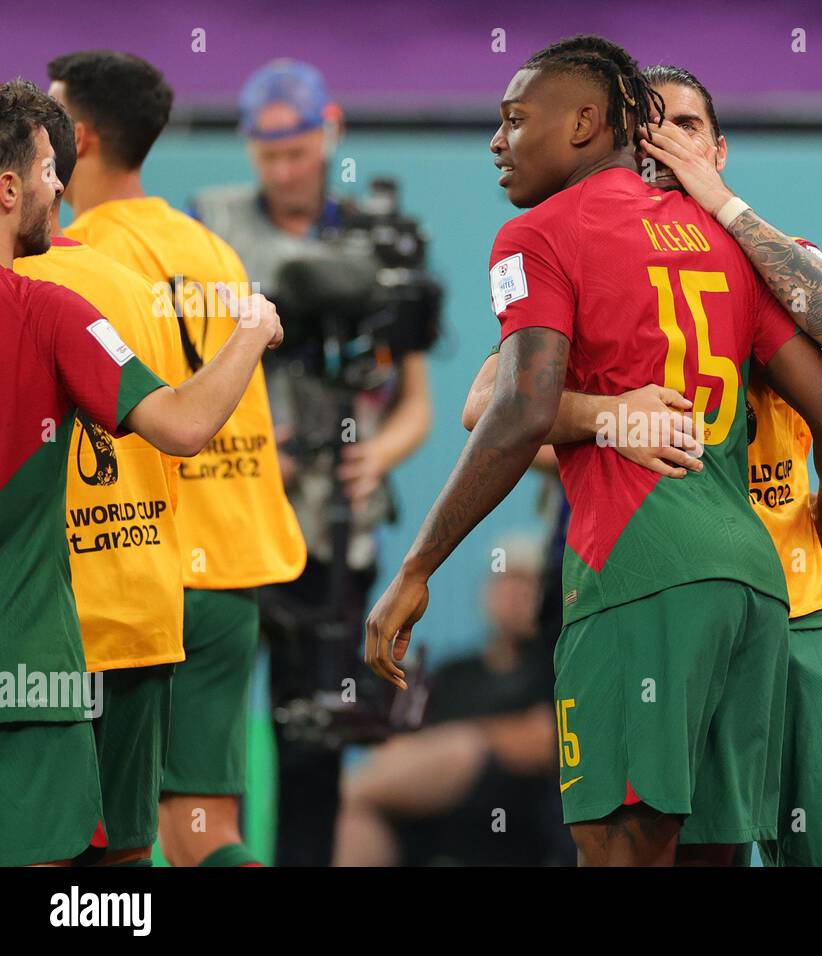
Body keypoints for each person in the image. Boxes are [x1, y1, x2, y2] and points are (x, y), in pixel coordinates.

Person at [365, 35, 822, 867]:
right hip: (755, 585)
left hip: (638, 571)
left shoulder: (535, 236)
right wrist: (608, 413)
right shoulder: (729, 246)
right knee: (715, 851)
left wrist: (418, 565)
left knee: (619, 851)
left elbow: (513, 412)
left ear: (584, 124)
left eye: (515, 120)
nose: (496, 142)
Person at [0, 78, 284, 867]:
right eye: (46, 165)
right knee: (130, 860)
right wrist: (254, 329)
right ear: (12, 186)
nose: (60, 183)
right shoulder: (73, 302)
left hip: (83, 626)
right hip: (119, 611)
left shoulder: (66, 286)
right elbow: (189, 426)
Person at [190, 59, 434, 866]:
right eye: (269, 156)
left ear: (328, 134)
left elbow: (416, 402)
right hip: (230, 521)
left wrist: (378, 457)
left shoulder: (377, 238)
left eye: (298, 152)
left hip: (334, 532)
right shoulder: (212, 229)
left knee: (314, 740)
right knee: (211, 735)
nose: (286, 171)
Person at [334, 536, 571, 866]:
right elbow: (410, 747)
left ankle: (340, 794)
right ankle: (343, 797)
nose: (514, 596)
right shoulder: (454, 672)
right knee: (356, 815)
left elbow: (543, 740)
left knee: (462, 746)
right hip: (437, 817)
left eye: (527, 585)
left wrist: (471, 740)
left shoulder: (554, 665)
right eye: (505, 582)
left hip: (516, 811)